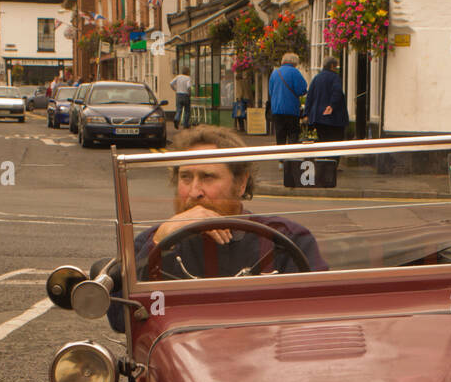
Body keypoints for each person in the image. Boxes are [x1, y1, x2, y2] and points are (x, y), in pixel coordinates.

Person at [106, 126, 325, 327]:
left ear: (241, 184)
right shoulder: (152, 241)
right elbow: (120, 320)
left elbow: (325, 312)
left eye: (207, 177)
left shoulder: (288, 239)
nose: (194, 192)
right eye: (185, 177)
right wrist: (157, 245)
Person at [304, 57, 349, 143]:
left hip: (318, 117)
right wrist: (332, 105)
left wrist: (306, 113)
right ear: (332, 66)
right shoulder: (335, 78)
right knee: (335, 143)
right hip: (334, 119)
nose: (336, 68)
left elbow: (309, 97)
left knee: (323, 141)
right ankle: (333, 157)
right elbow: (337, 92)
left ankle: (324, 156)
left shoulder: (316, 78)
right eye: (336, 66)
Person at [268, 52, 306, 145]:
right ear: (294, 62)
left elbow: (270, 91)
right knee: (293, 134)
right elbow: (301, 90)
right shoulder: (295, 72)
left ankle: (282, 157)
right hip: (291, 110)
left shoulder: (274, 73)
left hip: (277, 110)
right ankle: (291, 157)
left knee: (280, 135)